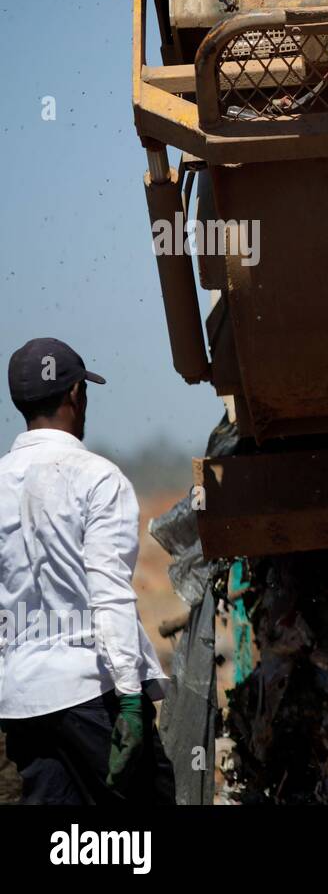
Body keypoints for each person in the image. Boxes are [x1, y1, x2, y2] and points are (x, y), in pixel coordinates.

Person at [0, 338, 173, 804]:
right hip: (92, 695)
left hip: (21, 703)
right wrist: (132, 702)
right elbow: (109, 590)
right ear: (77, 395)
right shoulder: (97, 478)